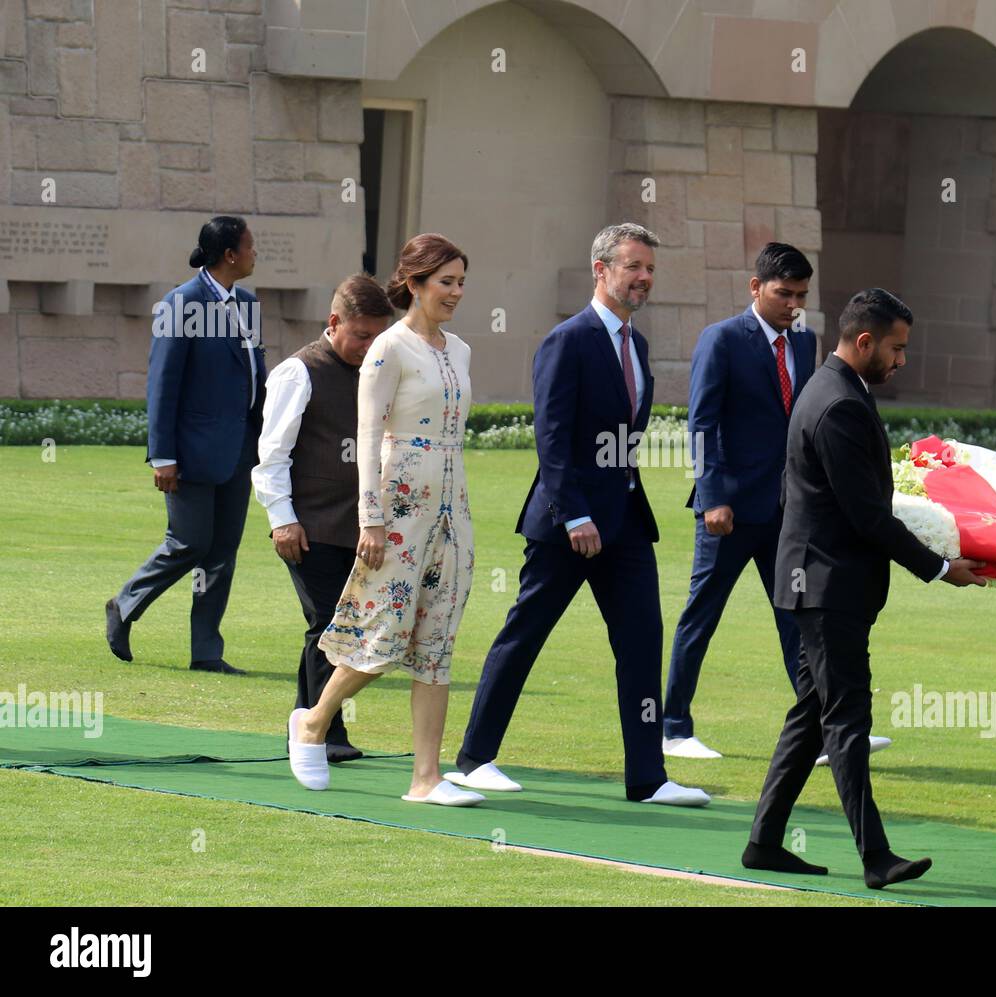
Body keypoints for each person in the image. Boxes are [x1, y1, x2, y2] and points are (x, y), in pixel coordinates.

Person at [446, 223, 709, 807]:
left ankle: (648, 777)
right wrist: (573, 515)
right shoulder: (568, 340)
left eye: (650, 269)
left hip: (627, 524)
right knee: (526, 636)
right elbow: (553, 436)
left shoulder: (636, 346)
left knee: (643, 644)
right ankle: (473, 759)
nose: (643, 278)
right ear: (601, 270)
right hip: (568, 525)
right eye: (633, 266)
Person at [742, 288, 986, 889]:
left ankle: (763, 842)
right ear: (865, 341)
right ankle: (876, 857)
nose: (902, 360)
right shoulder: (841, 404)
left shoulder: (834, 391)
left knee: (812, 714)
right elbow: (868, 518)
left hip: (816, 580)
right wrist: (939, 567)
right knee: (847, 720)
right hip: (829, 589)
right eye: (897, 348)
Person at [286, 234, 483, 807]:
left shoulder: (461, 351)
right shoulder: (388, 349)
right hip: (397, 509)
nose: (455, 292)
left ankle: (426, 779)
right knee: (383, 633)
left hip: (454, 508)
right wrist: (371, 520)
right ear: (415, 284)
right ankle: (314, 720)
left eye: (461, 282)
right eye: (445, 281)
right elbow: (369, 436)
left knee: (438, 641)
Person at [662, 243, 817, 759]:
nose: (792, 304)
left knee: (797, 615)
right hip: (725, 512)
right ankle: (674, 728)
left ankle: (817, 726)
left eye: (800, 295)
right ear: (756, 287)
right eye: (782, 293)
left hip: (786, 511)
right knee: (702, 614)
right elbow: (701, 423)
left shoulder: (805, 341)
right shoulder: (722, 339)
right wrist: (712, 497)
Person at [106, 216, 266, 675]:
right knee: (189, 542)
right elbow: (162, 384)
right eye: (251, 247)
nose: (257, 254)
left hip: (240, 450)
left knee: (222, 552)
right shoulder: (181, 304)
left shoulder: (248, 304)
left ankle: (206, 652)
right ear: (230, 254)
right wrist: (163, 455)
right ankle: (124, 604)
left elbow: (254, 374)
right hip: (192, 452)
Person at [253, 274, 393, 764]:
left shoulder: (380, 370)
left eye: (379, 335)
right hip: (308, 526)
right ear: (334, 322)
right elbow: (272, 455)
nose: (370, 345)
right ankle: (325, 733)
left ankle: (305, 720)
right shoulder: (298, 373)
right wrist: (282, 519)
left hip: (363, 527)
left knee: (340, 625)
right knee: (329, 623)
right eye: (361, 335)